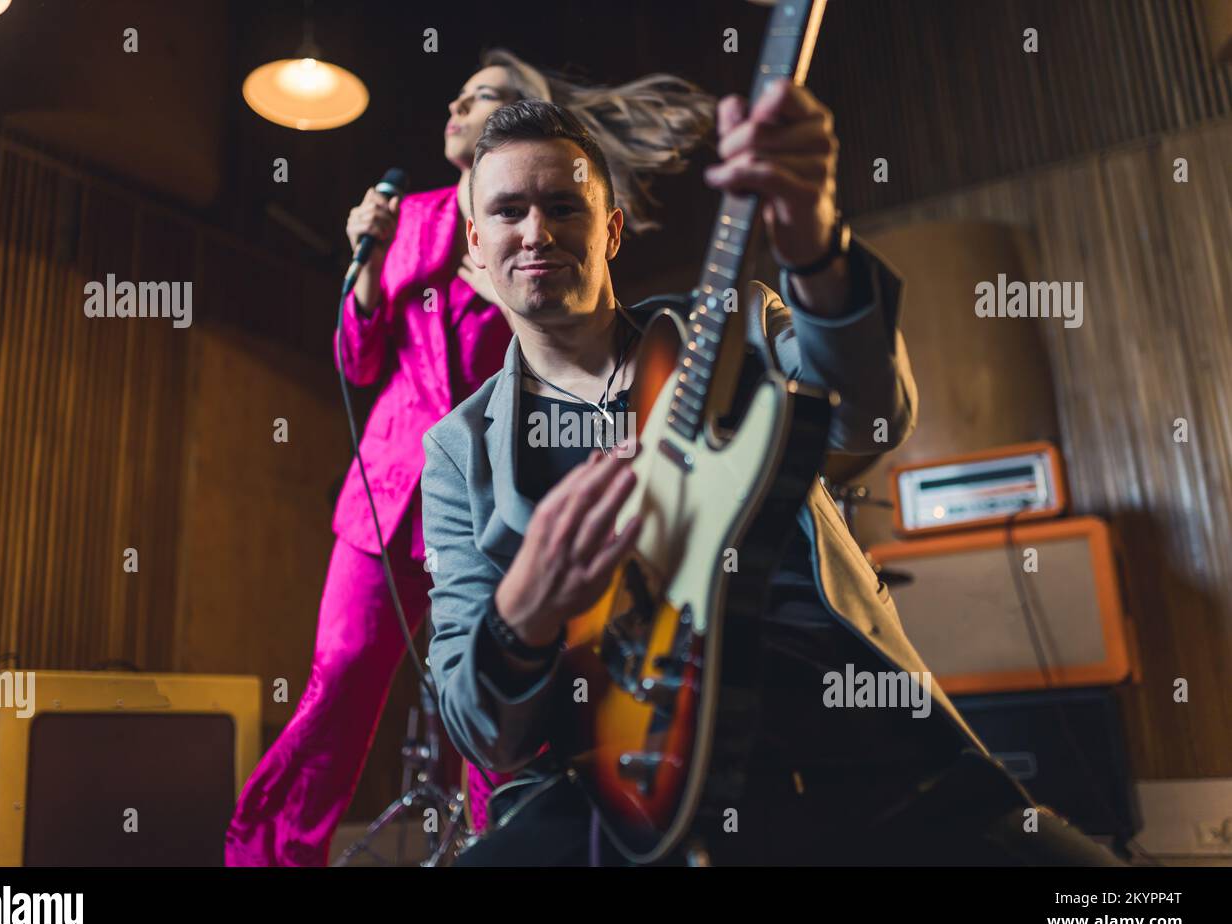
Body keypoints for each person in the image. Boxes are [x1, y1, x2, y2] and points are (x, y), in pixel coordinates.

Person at [419, 94, 1126, 866]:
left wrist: (816, 251)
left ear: (612, 228)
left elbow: (869, 422)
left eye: (564, 205)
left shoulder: (733, 333)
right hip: (630, 779)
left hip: (852, 735)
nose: (537, 232)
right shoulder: (459, 453)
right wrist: (522, 613)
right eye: (509, 211)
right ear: (476, 243)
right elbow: (477, 722)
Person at [225, 51, 714, 866]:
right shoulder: (404, 218)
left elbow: (569, 360)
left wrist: (517, 289)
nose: (456, 104)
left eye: (481, 96)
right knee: (341, 671)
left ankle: (505, 844)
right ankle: (269, 856)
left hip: (500, 480)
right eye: (456, 96)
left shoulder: (544, 246)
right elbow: (355, 360)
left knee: (507, 671)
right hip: (389, 486)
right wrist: (367, 274)